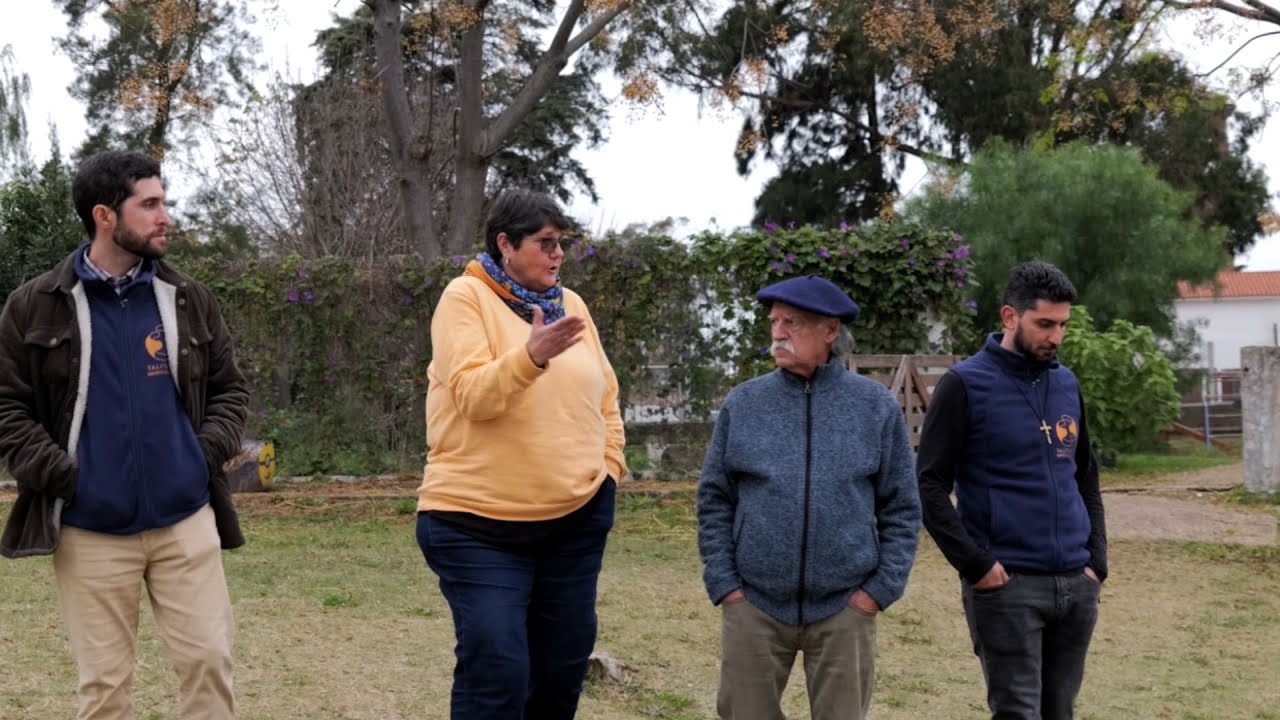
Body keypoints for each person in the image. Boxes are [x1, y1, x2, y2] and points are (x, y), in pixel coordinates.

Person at [0, 149, 250, 719]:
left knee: (210, 665)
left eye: (164, 201)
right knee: (106, 688)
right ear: (104, 215)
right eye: (150, 204)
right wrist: (67, 477)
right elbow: (6, 407)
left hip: (186, 521)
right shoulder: (34, 306)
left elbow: (229, 389)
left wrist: (199, 454)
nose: (165, 216)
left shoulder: (187, 298)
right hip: (89, 530)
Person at [415, 188, 626, 719]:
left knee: (560, 674)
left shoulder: (570, 306)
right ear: (505, 244)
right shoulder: (465, 298)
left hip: (574, 523)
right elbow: (473, 397)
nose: (558, 255)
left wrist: (609, 473)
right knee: (499, 668)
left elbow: (606, 396)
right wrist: (529, 357)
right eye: (545, 243)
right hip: (477, 525)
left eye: (562, 244)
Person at [697, 275, 921, 720]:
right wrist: (725, 584)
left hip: (846, 607)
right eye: (775, 321)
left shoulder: (874, 407)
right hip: (754, 604)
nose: (778, 332)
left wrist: (878, 591)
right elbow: (714, 499)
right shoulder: (744, 404)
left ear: (831, 331)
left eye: (793, 322)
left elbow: (902, 507)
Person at [917, 260, 1108, 720]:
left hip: (1075, 585)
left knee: (1060, 711)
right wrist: (978, 566)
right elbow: (929, 484)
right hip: (1007, 587)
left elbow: (1085, 476)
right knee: (1018, 713)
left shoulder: (1066, 384)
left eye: (1062, 325)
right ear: (1009, 317)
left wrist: (1096, 560)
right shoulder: (964, 385)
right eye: (1044, 324)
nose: (1056, 337)